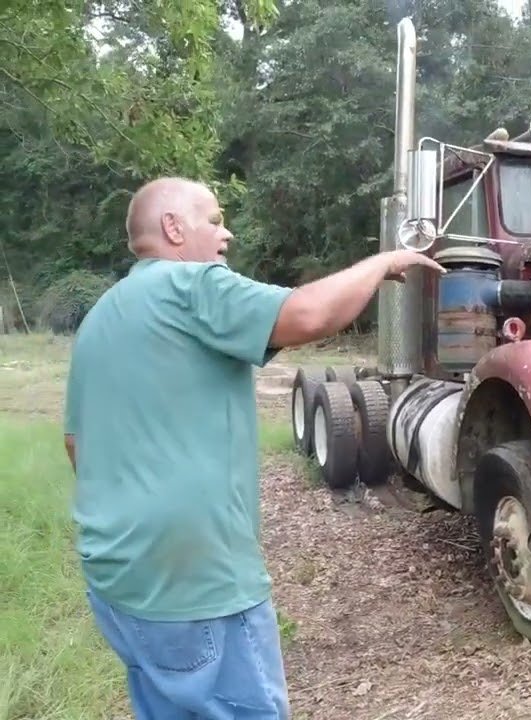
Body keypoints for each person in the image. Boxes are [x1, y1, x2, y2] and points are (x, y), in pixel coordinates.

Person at [61, 177, 444, 719]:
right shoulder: (190, 286)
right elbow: (309, 315)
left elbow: (78, 446)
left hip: (118, 580)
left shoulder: (102, 316)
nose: (227, 234)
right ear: (173, 228)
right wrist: (382, 263)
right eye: (214, 220)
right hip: (195, 589)